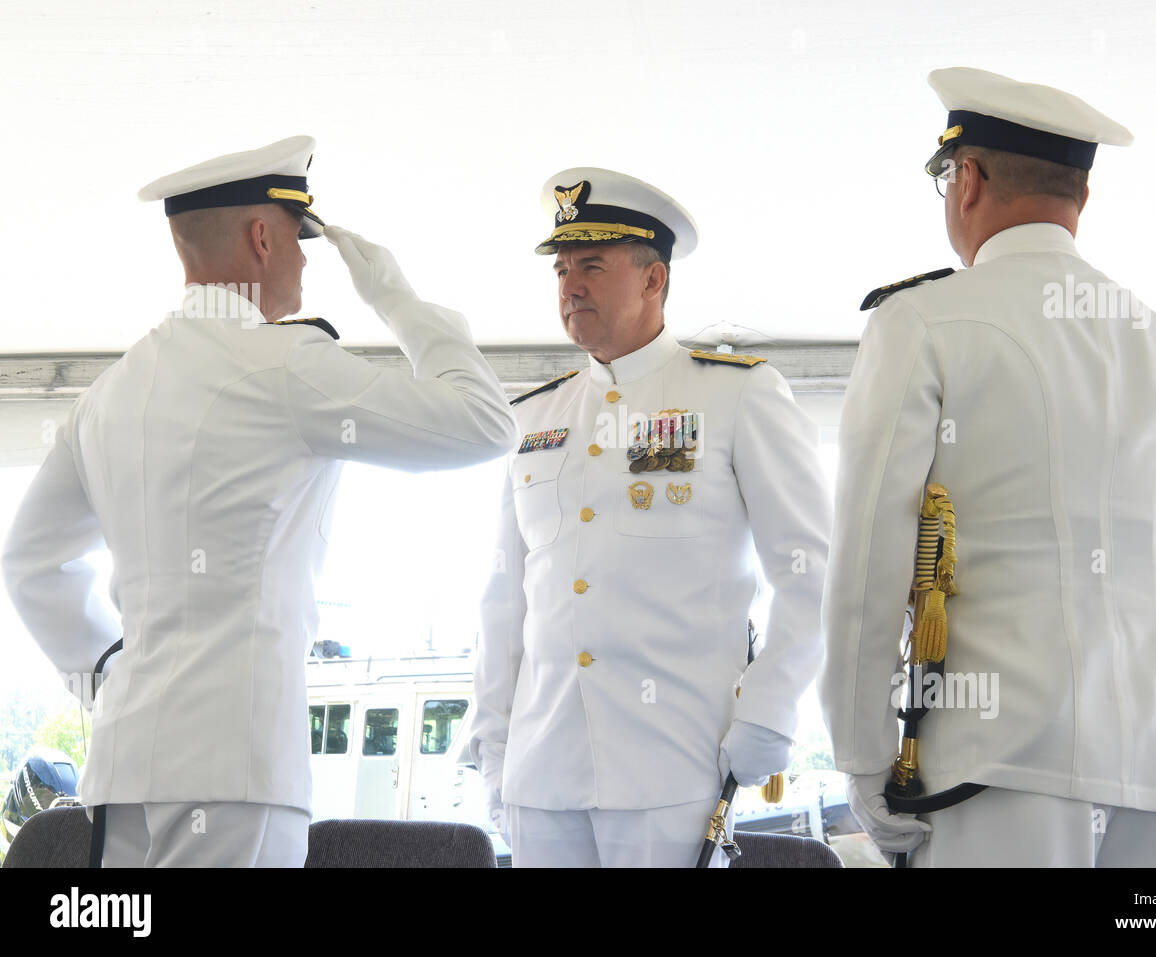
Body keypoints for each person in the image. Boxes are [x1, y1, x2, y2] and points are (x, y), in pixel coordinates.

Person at [1, 135, 516, 867]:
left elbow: (29, 562)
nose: (307, 259)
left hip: (124, 765)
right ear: (262, 237)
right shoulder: (285, 366)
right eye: (301, 239)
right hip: (237, 768)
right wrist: (399, 300)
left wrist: (109, 674)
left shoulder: (112, 391)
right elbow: (485, 421)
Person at [819, 68, 1156, 867]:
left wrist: (862, 760)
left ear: (967, 180)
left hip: (997, 771)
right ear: (1082, 200)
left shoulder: (922, 322)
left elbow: (867, 560)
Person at [468, 167, 830, 867]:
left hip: (673, 763)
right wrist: (494, 746)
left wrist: (769, 710)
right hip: (541, 773)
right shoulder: (532, 416)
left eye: (592, 266)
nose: (570, 285)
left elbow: (810, 570)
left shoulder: (738, 395)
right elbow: (502, 602)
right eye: (563, 269)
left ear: (653, 279)